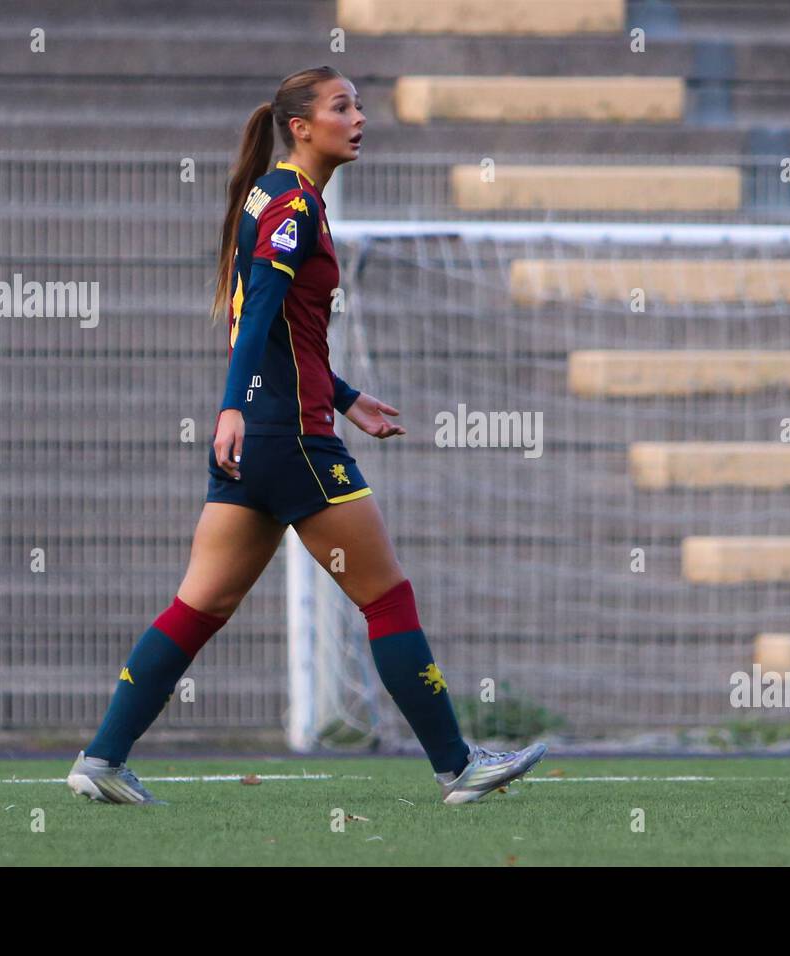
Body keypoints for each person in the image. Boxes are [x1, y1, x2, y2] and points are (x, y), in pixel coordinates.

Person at [67, 65, 546, 807]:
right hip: (289, 439)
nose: (358, 118)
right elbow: (257, 312)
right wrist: (232, 406)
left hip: (260, 442)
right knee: (386, 599)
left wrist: (348, 398)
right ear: (301, 126)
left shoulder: (275, 195)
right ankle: (457, 767)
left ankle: (101, 758)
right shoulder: (293, 204)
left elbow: (290, 329)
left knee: (199, 607)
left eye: (358, 106)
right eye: (341, 106)